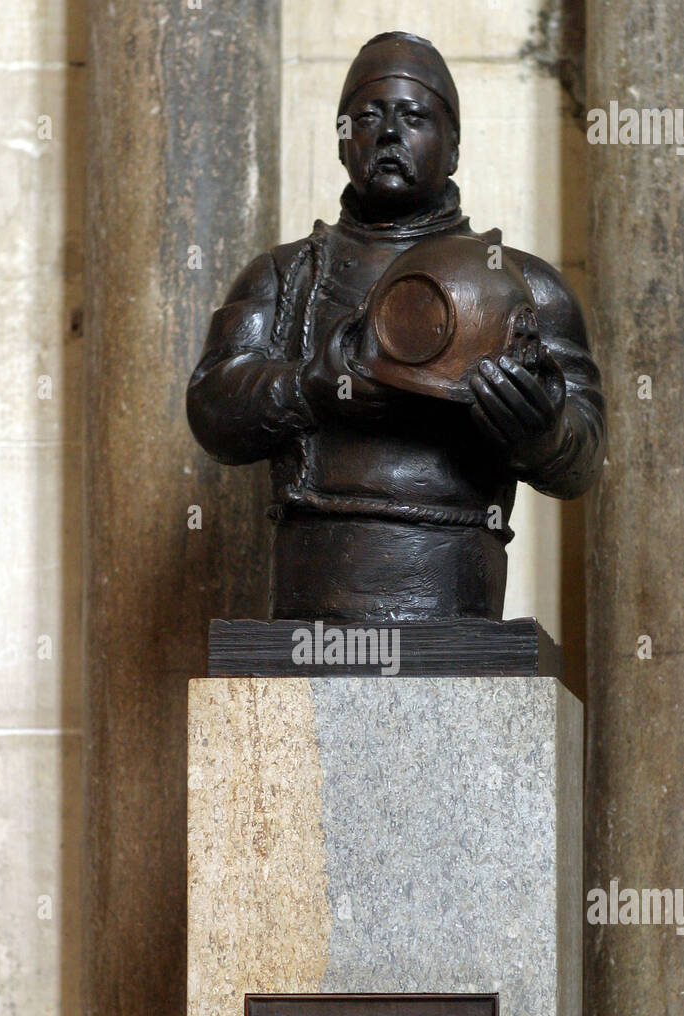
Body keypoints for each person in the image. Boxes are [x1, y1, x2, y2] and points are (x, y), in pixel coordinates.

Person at [187, 32, 606, 622]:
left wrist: (539, 431)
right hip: (311, 602)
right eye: (367, 117)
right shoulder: (283, 276)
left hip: (456, 594)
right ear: (342, 142)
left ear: (454, 146)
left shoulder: (526, 285)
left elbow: (584, 458)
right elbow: (211, 411)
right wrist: (312, 388)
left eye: (413, 116)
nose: (388, 134)